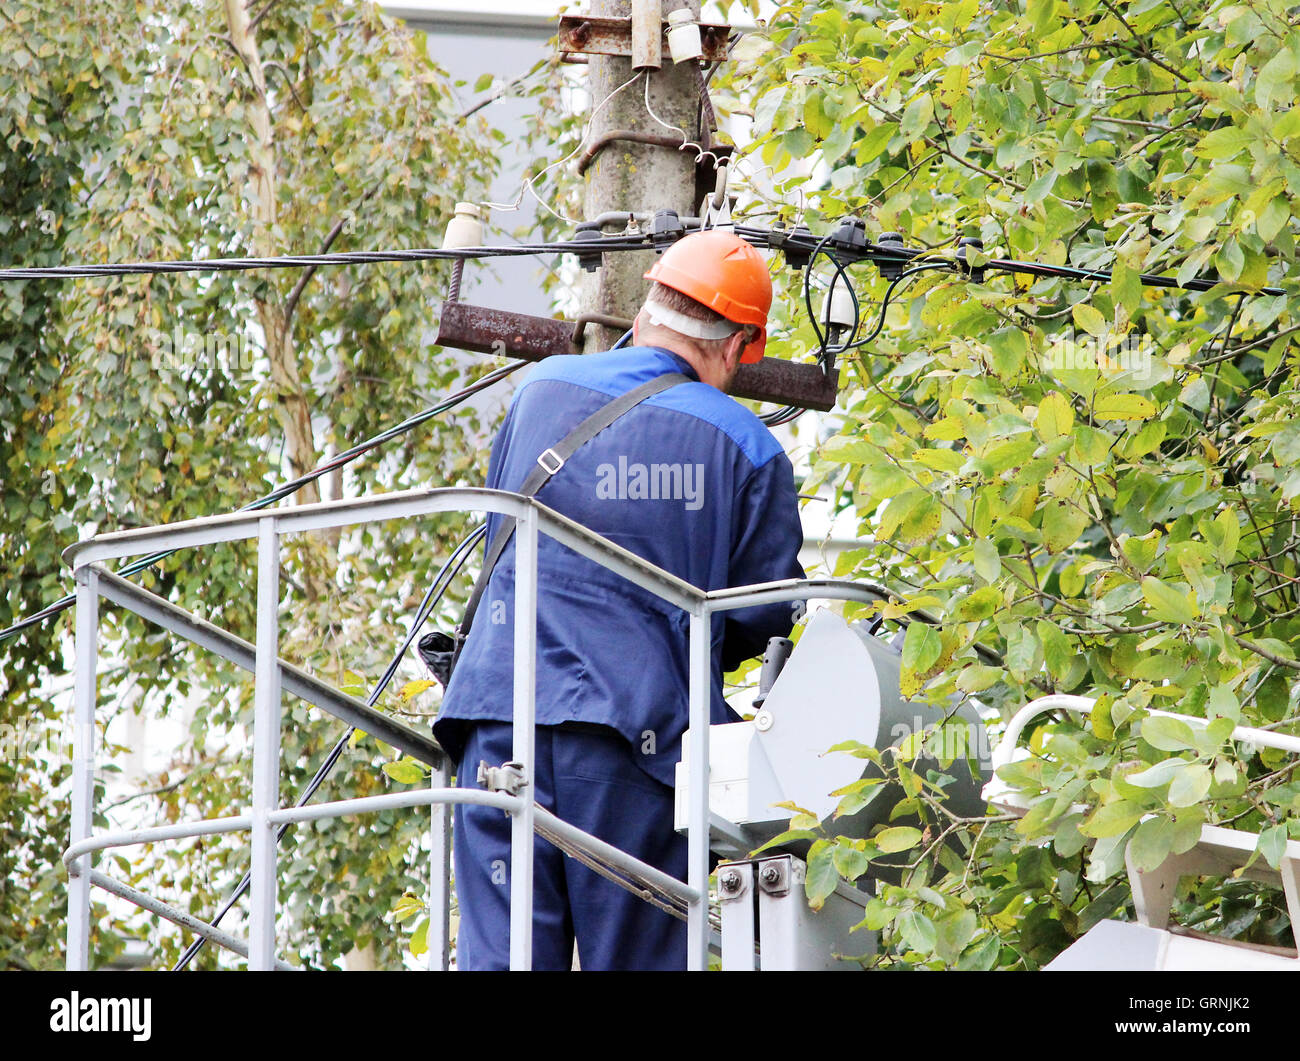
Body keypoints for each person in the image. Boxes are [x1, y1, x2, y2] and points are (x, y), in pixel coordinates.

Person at [433, 229, 805, 970]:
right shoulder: (749, 446)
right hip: (634, 749)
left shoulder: (538, 391)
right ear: (737, 348)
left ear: (647, 309)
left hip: (495, 720)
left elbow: (501, 539)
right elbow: (762, 627)